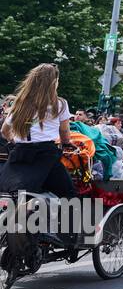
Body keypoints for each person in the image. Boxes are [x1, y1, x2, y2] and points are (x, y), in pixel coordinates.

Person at [0, 64, 76, 198]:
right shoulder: (59, 104)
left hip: (20, 154)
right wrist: (66, 143)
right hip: (46, 156)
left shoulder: (20, 103)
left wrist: (14, 141)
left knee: (10, 192)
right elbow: (64, 132)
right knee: (68, 195)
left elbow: (5, 130)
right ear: (54, 82)